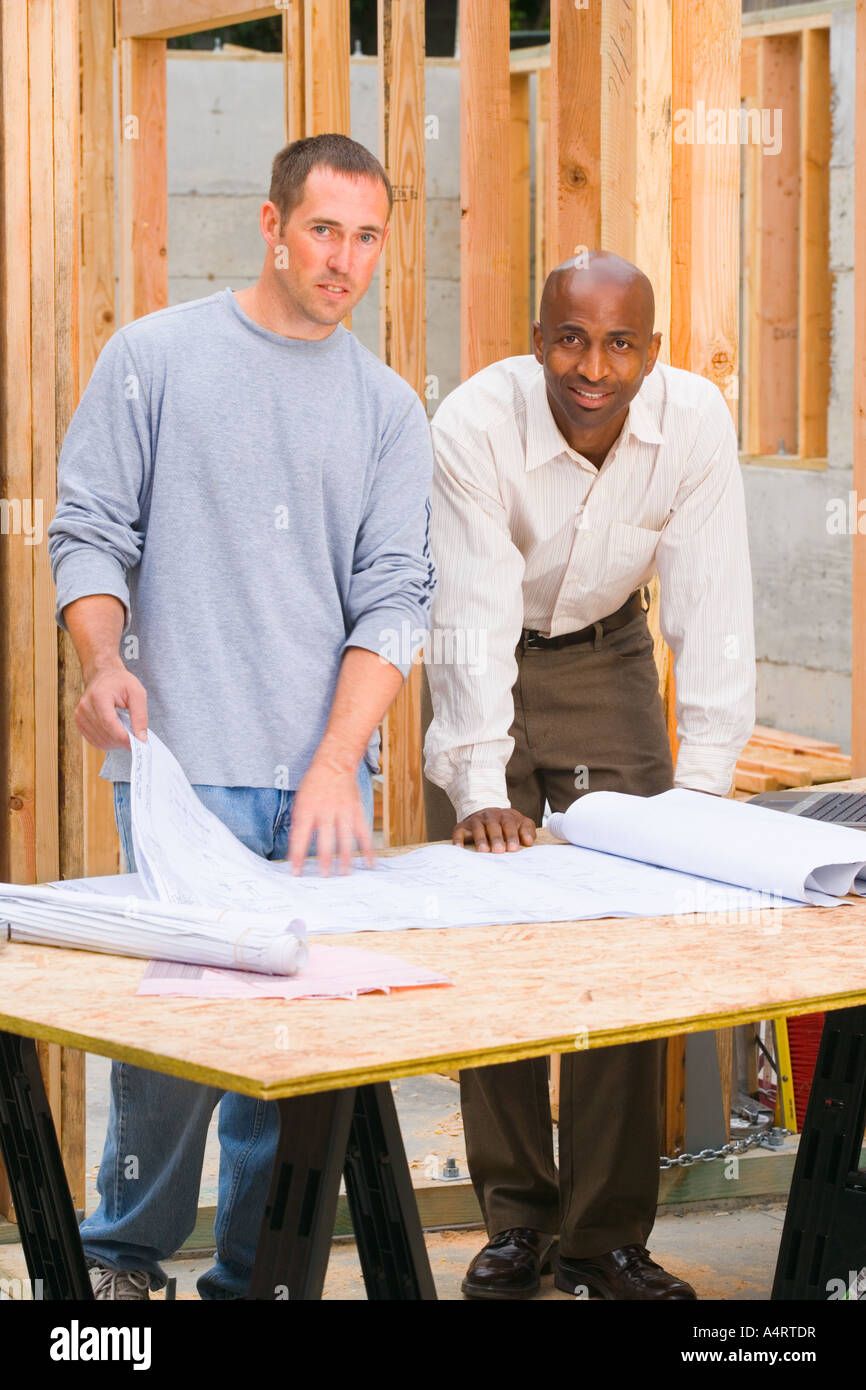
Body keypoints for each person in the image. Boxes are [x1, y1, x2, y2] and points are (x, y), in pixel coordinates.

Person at [48, 133, 435, 1300]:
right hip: (185, 765)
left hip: (322, 780)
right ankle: (120, 1264)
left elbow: (397, 599)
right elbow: (88, 530)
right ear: (271, 226)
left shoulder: (386, 408)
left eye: (367, 237)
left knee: (291, 1052)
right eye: (324, 230)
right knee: (172, 1055)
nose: (345, 260)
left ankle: (256, 1280)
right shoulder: (154, 358)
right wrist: (104, 657)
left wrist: (335, 764)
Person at [423, 250, 755, 1301]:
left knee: (633, 943)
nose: (593, 366)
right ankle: (515, 1222)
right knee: (495, 940)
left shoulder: (692, 423)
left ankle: (603, 1237)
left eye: (619, 343)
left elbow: (713, 605)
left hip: (608, 654)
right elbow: (468, 610)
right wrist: (477, 777)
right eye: (570, 337)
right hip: (486, 659)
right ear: (535, 340)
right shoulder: (474, 424)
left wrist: (699, 793)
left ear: (650, 353)